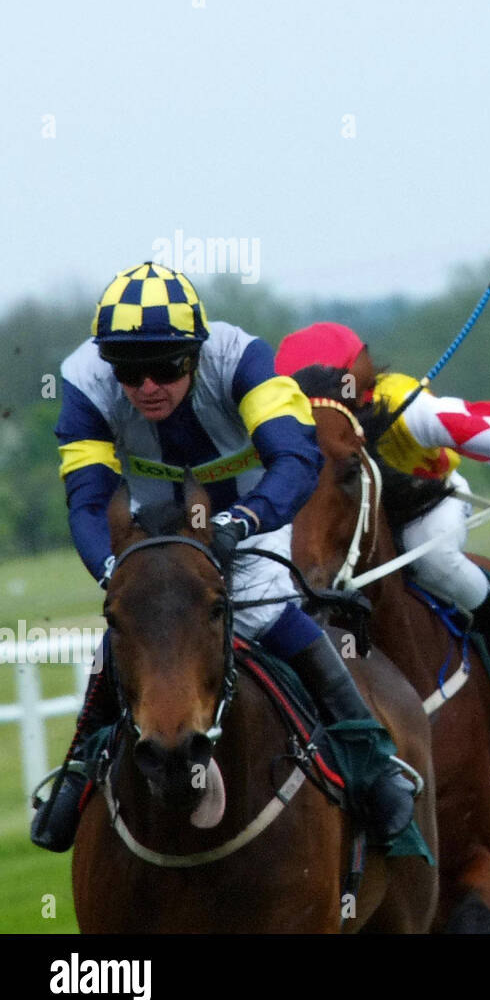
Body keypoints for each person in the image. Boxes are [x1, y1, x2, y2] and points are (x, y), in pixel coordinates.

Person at [31, 263, 416, 852]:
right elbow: (87, 500)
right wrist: (112, 571)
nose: (147, 387)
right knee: (136, 623)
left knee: (265, 613)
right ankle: (82, 768)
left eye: (166, 367)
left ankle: (370, 759)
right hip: (155, 532)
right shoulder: (85, 381)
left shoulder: (242, 360)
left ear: (197, 352)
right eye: (129, 371)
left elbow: (295, 459)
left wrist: (243, 522)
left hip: (253, 512)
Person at [274, 321, 490, 740]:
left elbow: (464, 422)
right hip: (343, 521)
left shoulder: (401, 403)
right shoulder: (281, 424)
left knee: (431, 557)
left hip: (426, 504)